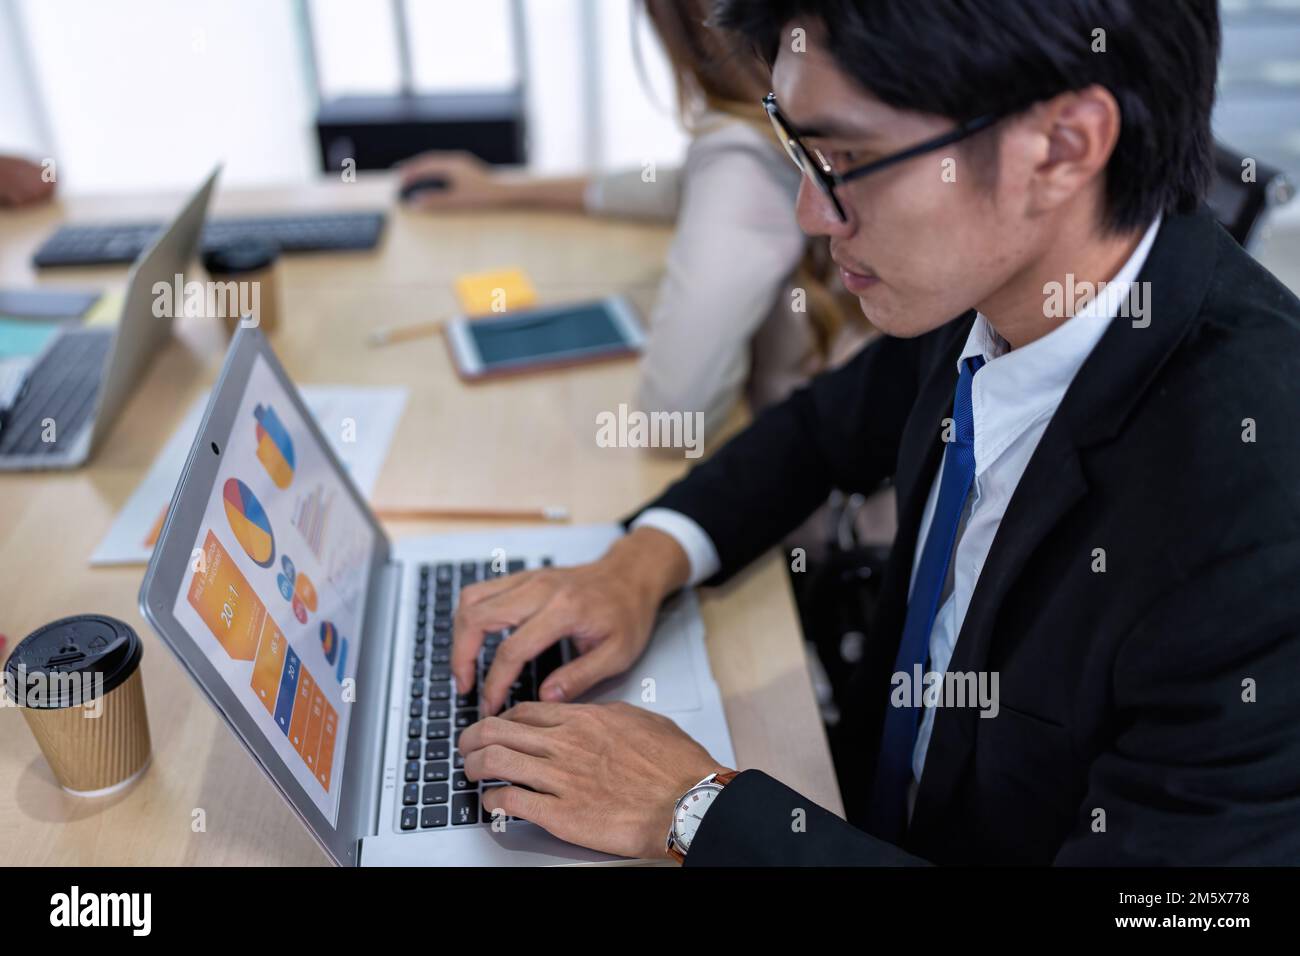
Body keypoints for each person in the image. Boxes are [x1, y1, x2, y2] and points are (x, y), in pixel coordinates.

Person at [453, 0, 1300, 865]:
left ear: (1061, 148)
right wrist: (644, 562)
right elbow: (823, 430)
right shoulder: (999, 278)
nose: (812, 214)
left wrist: (693, 812)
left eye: (849, 159)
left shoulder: (1254, 526)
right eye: (803, 148)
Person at [398, 0, 866, 439]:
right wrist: (501, 192)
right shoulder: (796, 124)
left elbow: (669, 421)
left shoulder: (741, 161)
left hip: (800, 509)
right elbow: (675, 189)